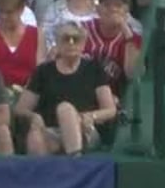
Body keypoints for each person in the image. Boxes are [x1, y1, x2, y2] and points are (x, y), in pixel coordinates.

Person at [15, 20, 117, 155]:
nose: (71, 43)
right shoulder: (43, 71)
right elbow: (20, 109)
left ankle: (74, 160)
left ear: (83, 44)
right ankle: (40, 174)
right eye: (65, 39)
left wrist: (92, 116)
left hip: (84, 128)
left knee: (65, 109)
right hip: (52, 131)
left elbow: (110, 109)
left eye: (75, 39)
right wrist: (33, 116)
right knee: (35, 136)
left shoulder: (94, 69)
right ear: (57, 44)